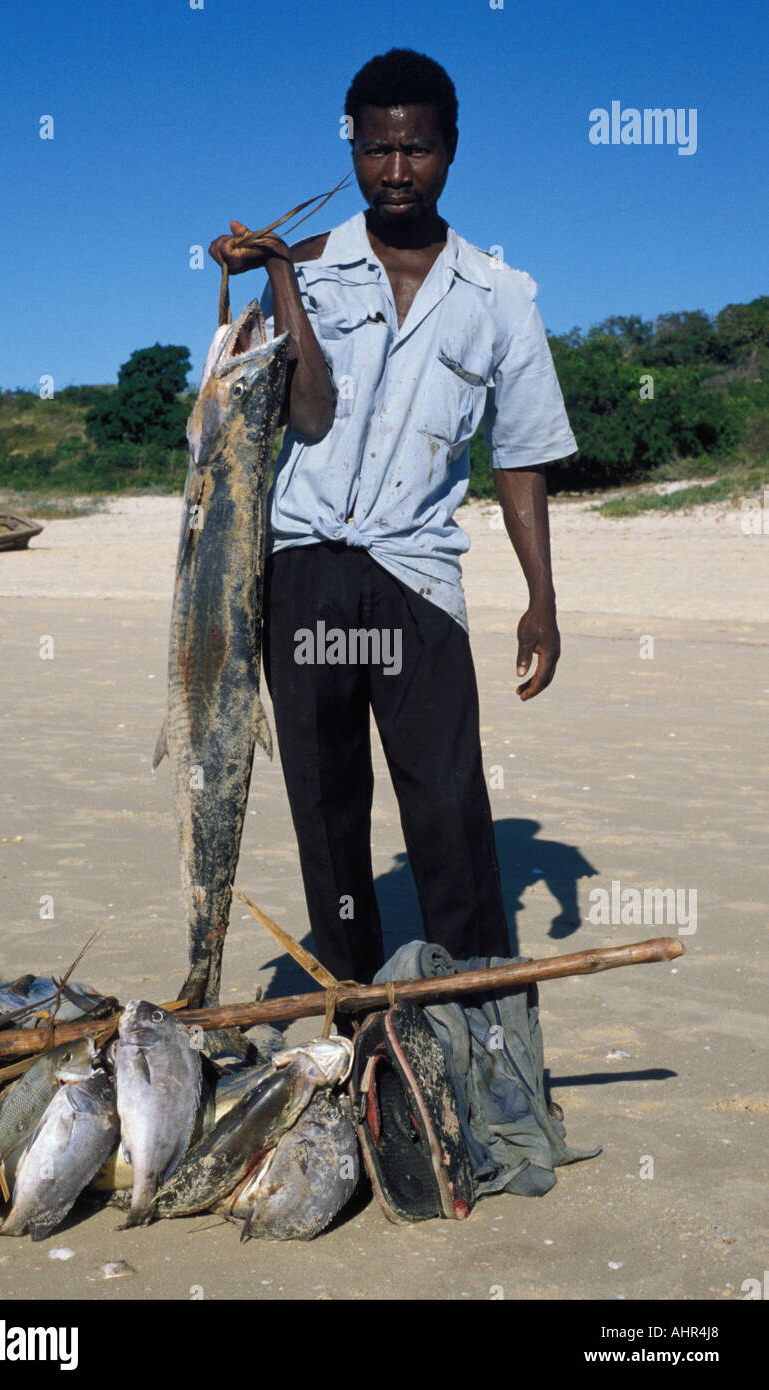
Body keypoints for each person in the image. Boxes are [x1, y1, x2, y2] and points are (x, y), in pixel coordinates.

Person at [209, 48, 577, 988]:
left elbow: (521, 454)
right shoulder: (314, 268)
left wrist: (541, 599)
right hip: (303, 573)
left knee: (449, 811)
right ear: (354, 150)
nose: (397, 171)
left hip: (418, 578)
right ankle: (358, 1021)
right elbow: (304, 413)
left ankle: (478, 1026)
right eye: (376, 151)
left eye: (416, 149)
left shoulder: (503, 296)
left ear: (451, 149)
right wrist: (281, 277)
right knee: (327, 814)